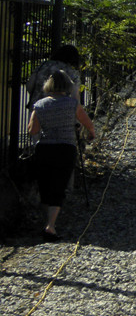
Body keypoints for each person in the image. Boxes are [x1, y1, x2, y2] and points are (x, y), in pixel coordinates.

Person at [28, 69, 95, 241]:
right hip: (65, 149)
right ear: (67, 86)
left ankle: (46, 221)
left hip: (45, 149)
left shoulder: (40, 105)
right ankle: (51, 226)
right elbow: (86, 122)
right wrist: (91, 133)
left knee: (45, 184)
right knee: (59, 184)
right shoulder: (72, 104)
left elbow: (33, 130)